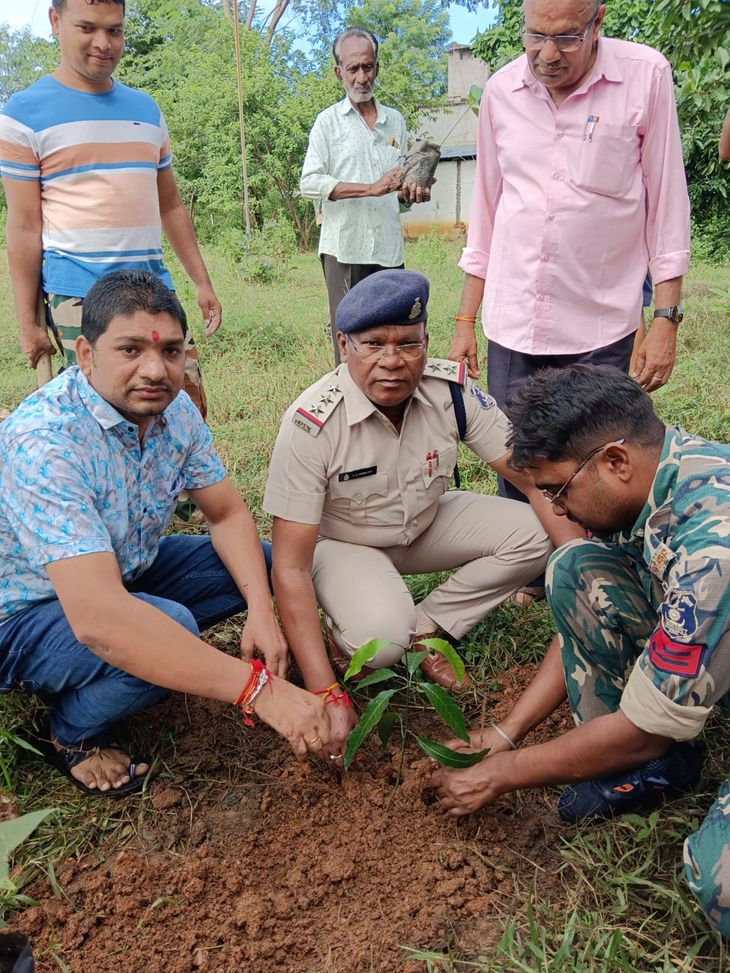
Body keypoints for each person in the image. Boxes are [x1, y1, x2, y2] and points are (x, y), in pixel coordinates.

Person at [0, 270, 330, 797]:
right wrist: (260, 692)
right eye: (129, 349)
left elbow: (226, 515)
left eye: (171, 351)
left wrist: (263, 612)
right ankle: (71, 732)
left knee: (262, 566)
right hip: (25, 613)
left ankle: (160, 654)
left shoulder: (174, 411)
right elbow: (100, 621)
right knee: (163, 625)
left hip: (125, 569)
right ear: (85, 354)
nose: (155, 369)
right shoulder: (44, 443)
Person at [430, 364, 730, 939]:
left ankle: (638, 749)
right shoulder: (660, 473)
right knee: (574, 566)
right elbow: (582, 614)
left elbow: (645, 726)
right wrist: (507, 733)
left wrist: (499, 774)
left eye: (557, 491)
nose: (556, 510)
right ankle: (647, 767)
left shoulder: (712, 543)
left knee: (718, 880)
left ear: (615, 462)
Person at [263, 269, 580, 768]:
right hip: (346, 545)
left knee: (540, 530)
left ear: (426, 341)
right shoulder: (311, 424)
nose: (392, 361)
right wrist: (325, 689)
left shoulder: (450, 390)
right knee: (382, 643)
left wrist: (580, 559)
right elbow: (289, 566)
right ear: (343, 344)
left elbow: (529, 478)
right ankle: (355, 632)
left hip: (426, 523)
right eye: (373, 345)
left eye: (408, 344)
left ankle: (431, 628)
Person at [449, 0, 690, 406]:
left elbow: (667, 207)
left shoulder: (646, 76)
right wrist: (464, 321)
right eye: (535, 36)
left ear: (597, 22)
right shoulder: (500, 91)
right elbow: (486, 215)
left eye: (565, 38)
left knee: (596, 463)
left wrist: (666, 319)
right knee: (518, 460)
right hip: (514, 327)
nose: (547, 55)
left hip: (603, 332)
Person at [0, 0, 220, 417]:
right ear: (55, 22)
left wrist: (202, 281)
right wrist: (28, 323)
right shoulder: (23, 115)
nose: (103, 43)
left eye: (114, 30)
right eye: (87, 28)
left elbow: (170, 204)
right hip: (79, 296)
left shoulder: (146, 110)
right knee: (99, 425)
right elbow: (25, 227)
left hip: (153, 288)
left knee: (182, 409)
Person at [300, 27, 431, 363]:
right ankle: (348, 407)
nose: (362, 78)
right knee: (350, 340)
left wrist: (410, 193)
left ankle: (389, 406)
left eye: (368, 67)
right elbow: (310, 183)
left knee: (392, 335)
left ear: (377, 67)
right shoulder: (327, 123)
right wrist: (370, 188)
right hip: (345, 249)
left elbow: (395, 194)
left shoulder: (395, 122)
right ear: (338, 73)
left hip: (388, 249)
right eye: (353, 69)